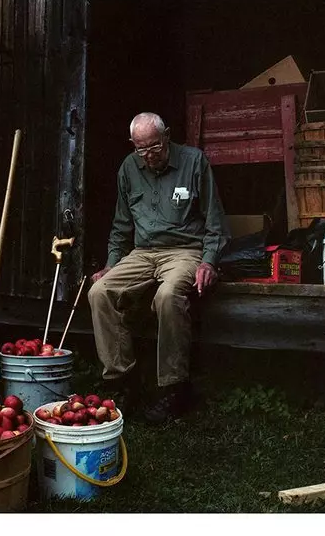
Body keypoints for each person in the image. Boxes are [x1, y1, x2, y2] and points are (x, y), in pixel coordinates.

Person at [87, 112, 230, 424]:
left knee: (167, 296)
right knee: (100, 292)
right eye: (141, 149)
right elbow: (121, 225)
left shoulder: (194, 162)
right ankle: (122, 381)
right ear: (133, 145)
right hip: (143, 252)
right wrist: (111, 264)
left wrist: (209, 261)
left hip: (185, 251)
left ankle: (173, 389)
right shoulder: (129, 167)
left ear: (167, 136)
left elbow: (215, 220)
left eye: (154, 147)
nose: (149, 155)